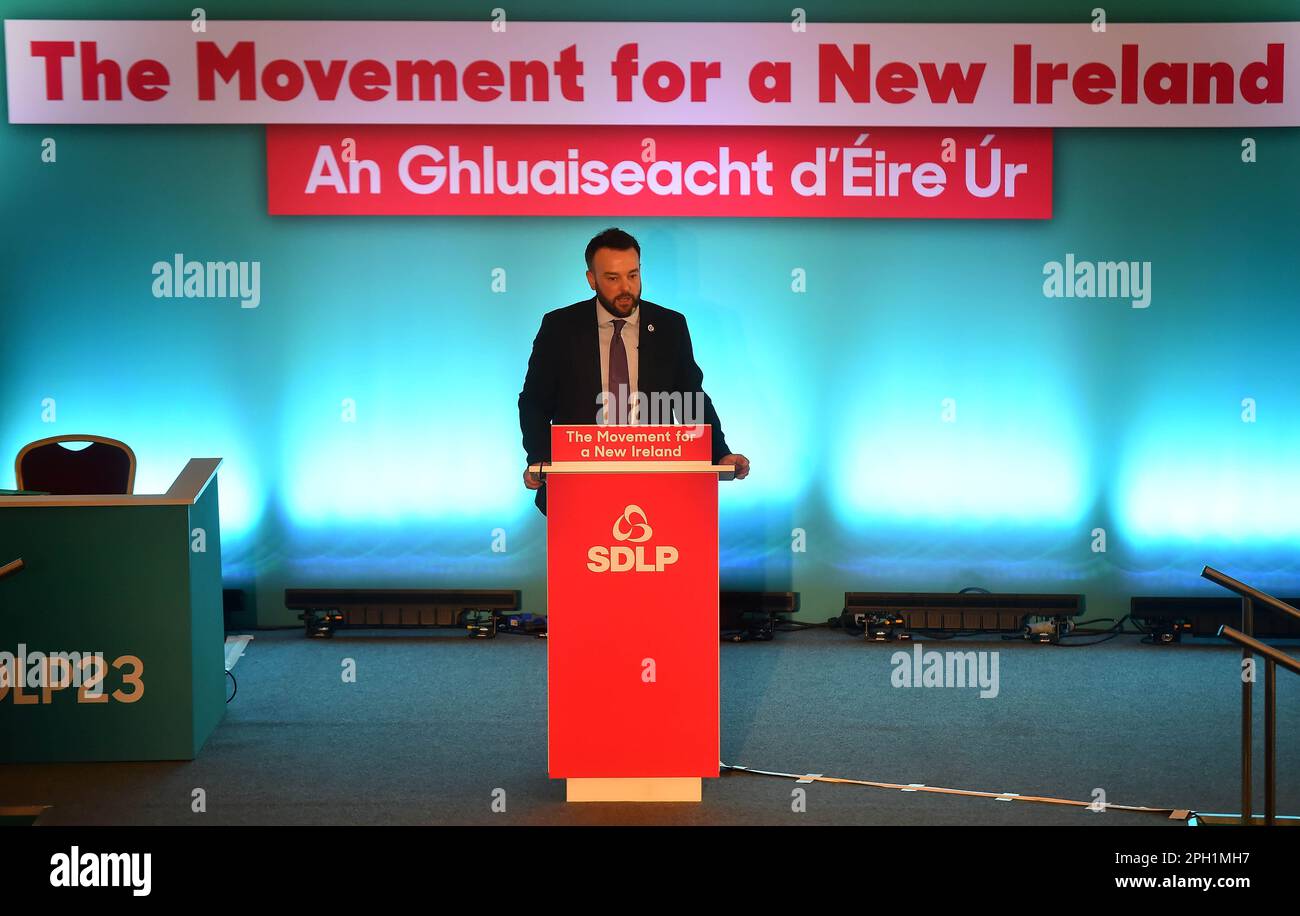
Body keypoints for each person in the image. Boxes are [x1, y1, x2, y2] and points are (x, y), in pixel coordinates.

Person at [518, 227, 750, 514]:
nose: (625, 287)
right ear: (592, 280)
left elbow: (691, 398)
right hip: (577, 487)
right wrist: (541, 459)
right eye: (613, 278)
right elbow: (534, 402)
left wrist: (720, 453)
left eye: (633, 275)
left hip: (656, 484)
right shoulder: (560, 327)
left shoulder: (670, 326)